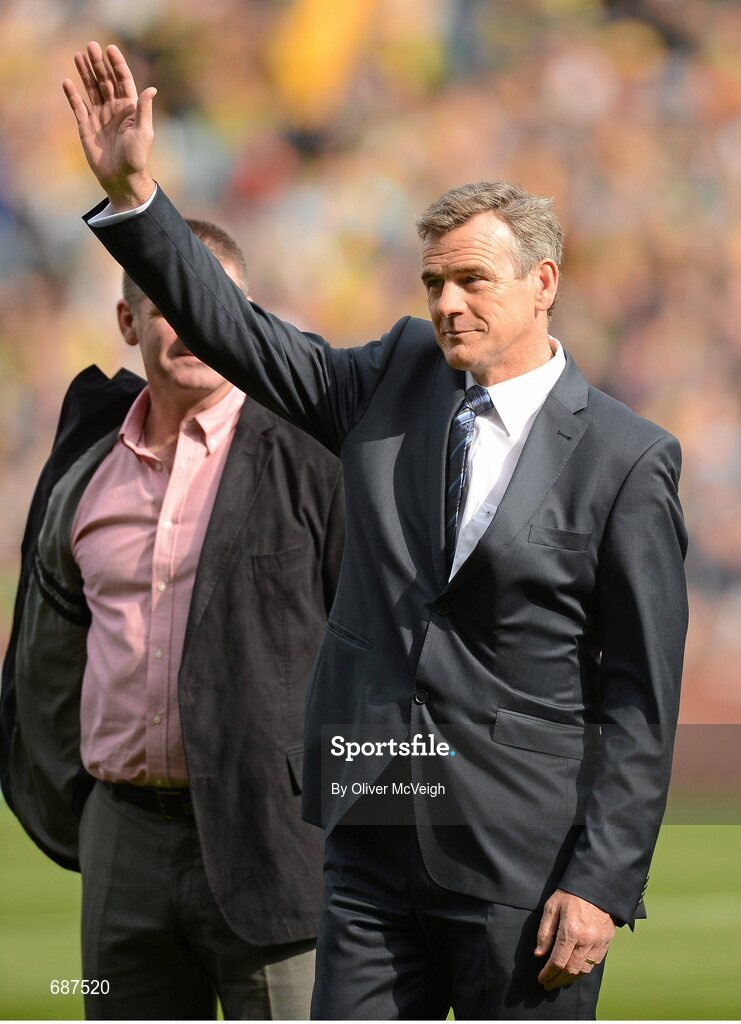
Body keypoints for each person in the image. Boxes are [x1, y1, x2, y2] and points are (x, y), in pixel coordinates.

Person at [59, 42, 689, 1020]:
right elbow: (240, 333)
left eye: (472, 280)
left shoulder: (626, 457)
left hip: (522, 867)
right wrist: (136, 195)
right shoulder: (388, 377)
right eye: (433, 281)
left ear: (543, 283)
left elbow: (640, 698)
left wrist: (603, 880)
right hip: (370, 847)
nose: (446, 303)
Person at [0, 214, 345, 1020]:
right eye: (166, 305)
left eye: (212, 305)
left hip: (274, 839)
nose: (192, 325)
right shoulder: (85, 466)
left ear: (247, 319)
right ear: (127, 322)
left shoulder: (313, 453)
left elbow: (382, 652)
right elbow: (51, 650)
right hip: (123, 834)